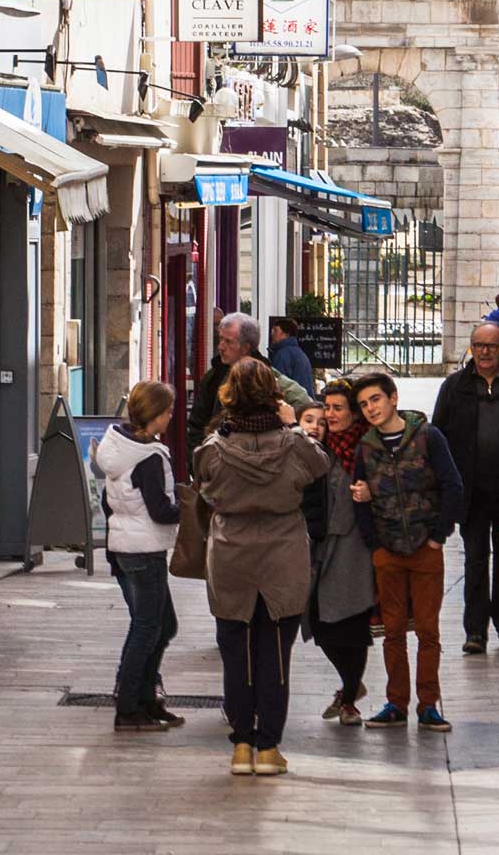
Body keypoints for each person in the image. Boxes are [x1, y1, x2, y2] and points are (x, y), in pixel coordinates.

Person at [195, 358, 330, 776]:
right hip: (282, 551)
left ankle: (240, 746)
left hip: (232, 552)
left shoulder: (214, 448)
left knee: (236, 653)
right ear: (274, 394)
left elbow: (203, 482)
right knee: (274, 653)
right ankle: (269, 747)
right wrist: (291, 426)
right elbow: (319, 465)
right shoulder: (293, 443)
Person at [349, 372, 465, 731]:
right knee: (393, 630)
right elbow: (359, 495)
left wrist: (438, 535)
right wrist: (375, 545)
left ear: (393, 398)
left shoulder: (428, 437)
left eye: (376, 400)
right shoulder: (366, 447)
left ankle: (428, 703)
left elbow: (453, 485)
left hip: (425, 546)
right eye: (364, 404)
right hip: (387, 550)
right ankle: (396, 702)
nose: (371, 409)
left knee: (428, 630)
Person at [431, 323, 499, 655]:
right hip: (472, 490)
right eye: (479, 345)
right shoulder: (455, 387)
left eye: (491, 346)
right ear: (471, 347)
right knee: (475, 560)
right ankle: (475, 630)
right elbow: (439, 437)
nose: (485, 352)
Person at [97, 380, 184, 732]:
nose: (171, 417)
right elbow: (161, 511)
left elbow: (107, 502)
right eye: (168, 411)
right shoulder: (148, 457)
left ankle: (146, 698)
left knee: (163, 625)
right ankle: (130, 706)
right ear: (155, 415)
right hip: (145, 550)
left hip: (125, 548)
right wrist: (189, 507)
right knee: (148, 628)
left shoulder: (117, 445)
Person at [301, 385, 378, 726]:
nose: (330, 414)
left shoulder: (367, 447)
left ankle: (348, 699)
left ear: (353, 413)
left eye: (337, 408)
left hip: (355, 548)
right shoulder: (318, 448)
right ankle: (351, 687)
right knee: (318, 623)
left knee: (352, 623)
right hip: (320, 545)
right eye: (327, 407)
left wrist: (371, 492)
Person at [189, 312, 311, 433]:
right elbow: (196, 425)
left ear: (246, 348)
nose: (221, 346)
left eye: (228, 341)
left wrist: (284, 431)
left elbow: (302, 401)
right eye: (221, 338)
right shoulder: (214, 375)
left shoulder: (263, 376)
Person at [267, 316, 317, 396]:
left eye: (275, 330)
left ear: (286, 334)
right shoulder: (298, 352)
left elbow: (279, 385)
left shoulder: (283, 354)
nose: (272, 333)